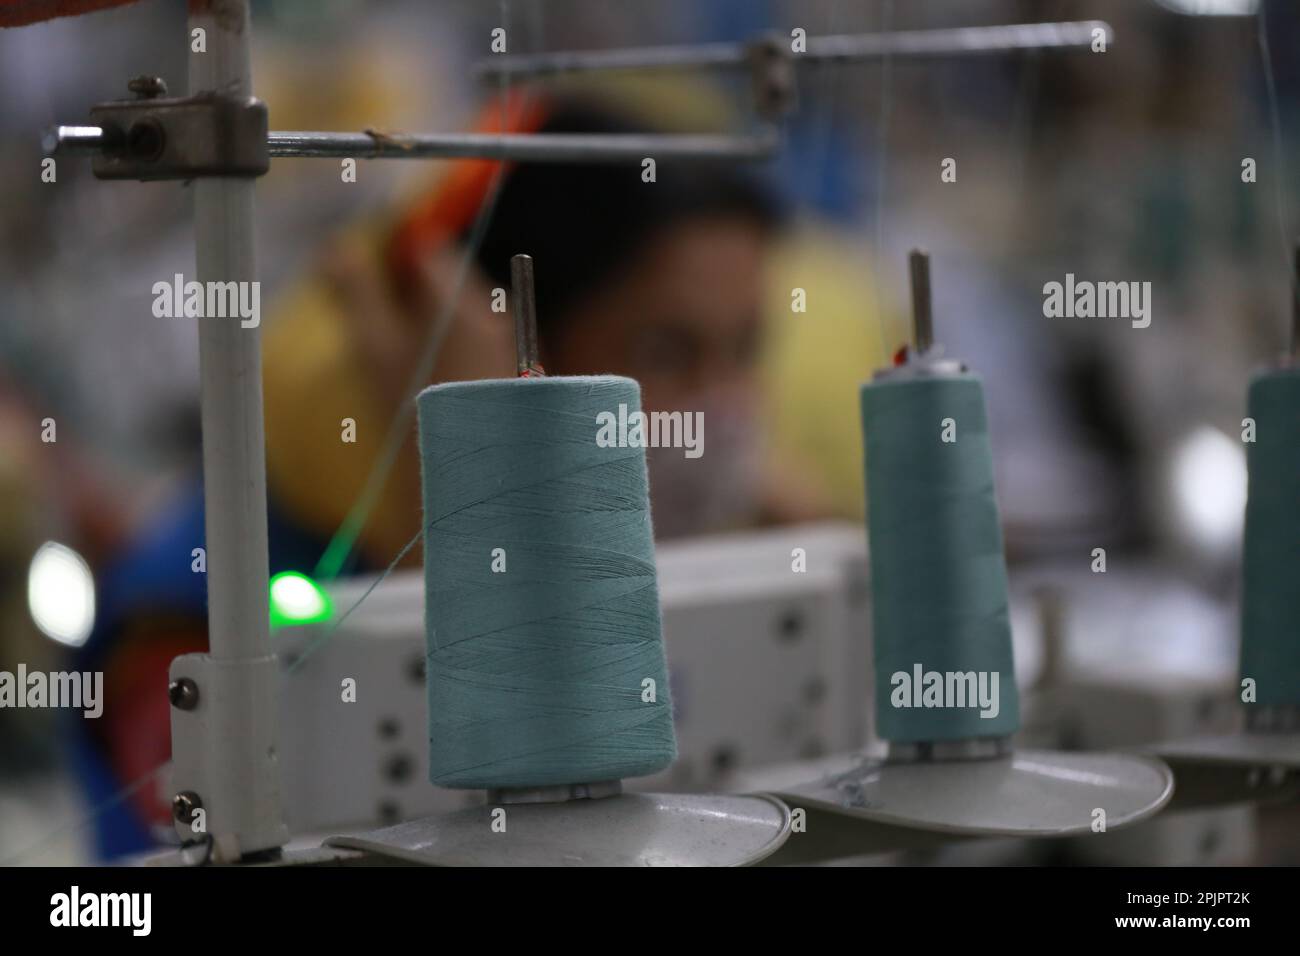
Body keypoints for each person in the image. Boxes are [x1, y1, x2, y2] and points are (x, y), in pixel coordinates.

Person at [76, 91, 831, 857]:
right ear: (505, 348)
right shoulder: (191, 614)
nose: (724, 413)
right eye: (667, 352)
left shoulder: (721, 548)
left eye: (745, 351)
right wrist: (476, 513)